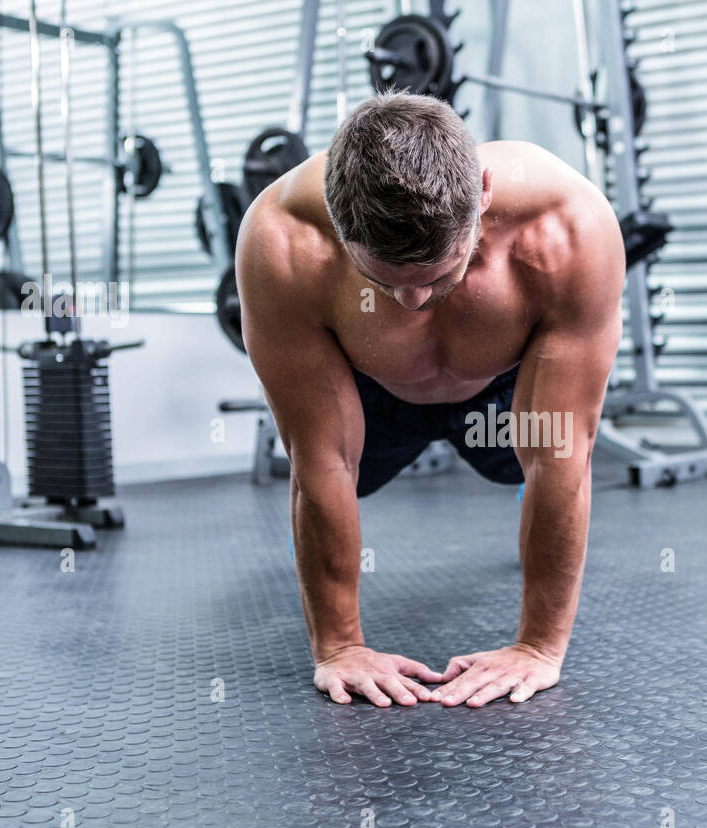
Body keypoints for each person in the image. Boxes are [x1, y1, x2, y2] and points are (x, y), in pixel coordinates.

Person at [236, 92, 624, 707]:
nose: (413, 304)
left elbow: (560, 456)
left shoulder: (567, 227)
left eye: (441, 277)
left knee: (542, 455)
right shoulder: (282, 238)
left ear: (485, 194)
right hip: (373, 394)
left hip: (497, 399)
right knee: (335, 473)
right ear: (339, 226)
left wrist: (538, 647)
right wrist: (339, 647)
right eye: (382, 283)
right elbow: (323, 463)